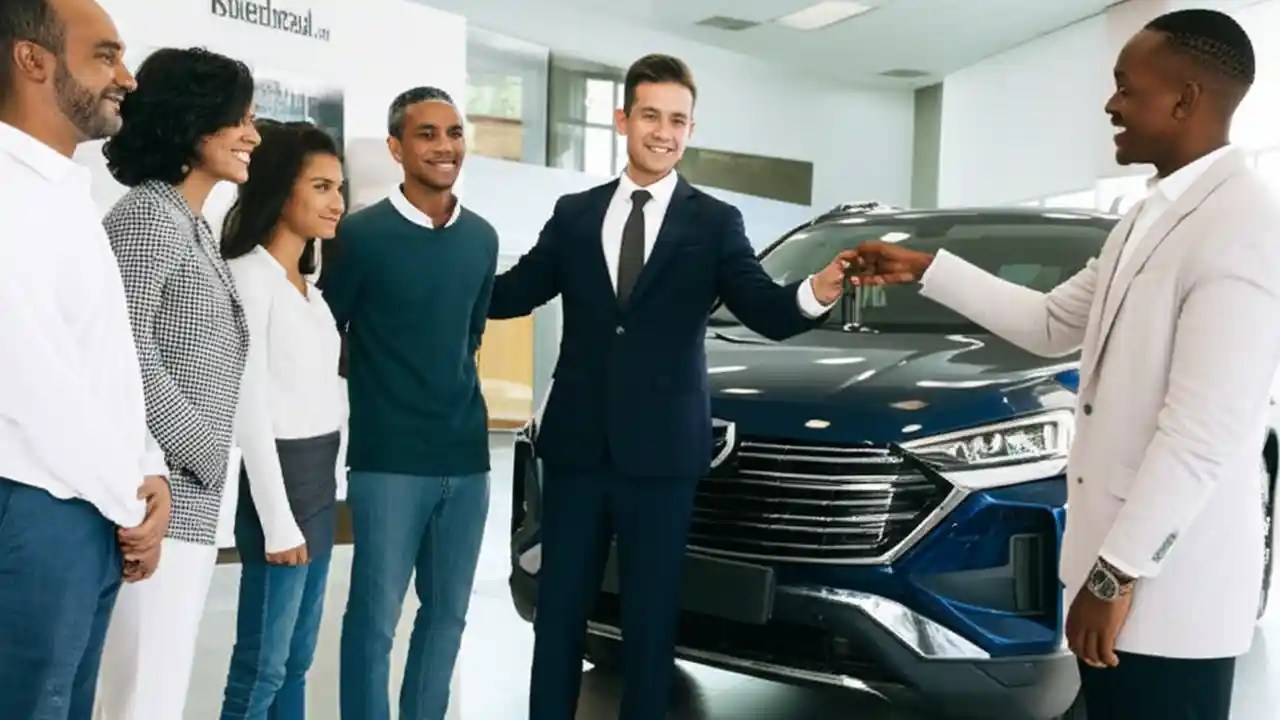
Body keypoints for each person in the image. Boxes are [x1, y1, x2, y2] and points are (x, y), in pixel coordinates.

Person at [850, 9, 1275, 720]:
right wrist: (924, 268)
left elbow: (1203, 433)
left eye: (1124, 87)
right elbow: (1050, 325)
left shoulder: (1243, 225)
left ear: (1185, 99)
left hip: (1169, 593)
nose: (1111, 105)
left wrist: (1116, 577)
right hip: (1118, 582)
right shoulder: (1146, 218)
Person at [487, 53, 853, 720]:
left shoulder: (714, 223)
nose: (664, 131)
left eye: (678, 120)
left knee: (652, 624)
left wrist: (818, 290)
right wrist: (446, 261)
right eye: (651, 115)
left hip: (662, 457)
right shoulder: (575, 214)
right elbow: (514, 293)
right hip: (575, 449)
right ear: (622, 118)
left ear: (690, 128)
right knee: (560, 614)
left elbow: (765, 310)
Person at [0, 1, 171, 717]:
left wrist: (147, 463)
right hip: (35, 502)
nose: (126, 77)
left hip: (86, 504)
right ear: (32, 60)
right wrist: (126, 489)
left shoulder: (67, 190)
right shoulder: (9, 193)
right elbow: (23, 373)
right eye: (105, 55)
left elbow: (105, 360)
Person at [93, 47, 260, 720]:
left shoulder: (188, 221)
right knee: (138, 700)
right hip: (154, 501)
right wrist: (201, 448)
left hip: (188, 501)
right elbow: (119, 350)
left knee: (157, 694)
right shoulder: (148, 216)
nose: (253, 134)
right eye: (238, 120)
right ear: (195, 126)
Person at [321, 86, 498, 720]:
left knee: (447, 617)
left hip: (468, 458)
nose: (445, 146)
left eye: (453, 133)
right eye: (427, 134)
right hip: (388, 459)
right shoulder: (360, 236)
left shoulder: (481, 238)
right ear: (396, 147)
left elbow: (469, 335)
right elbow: (326, 332)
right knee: (374, 619)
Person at [218, 120, 348, 720]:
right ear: (281, 190)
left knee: (296, 664)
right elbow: (249, 410)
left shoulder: (309, 290)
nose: (337, 202)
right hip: (282, 491)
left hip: (320, 486)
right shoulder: (249, 278)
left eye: (339, 188)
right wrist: (277, 522)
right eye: (321, 186)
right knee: (262, 668)